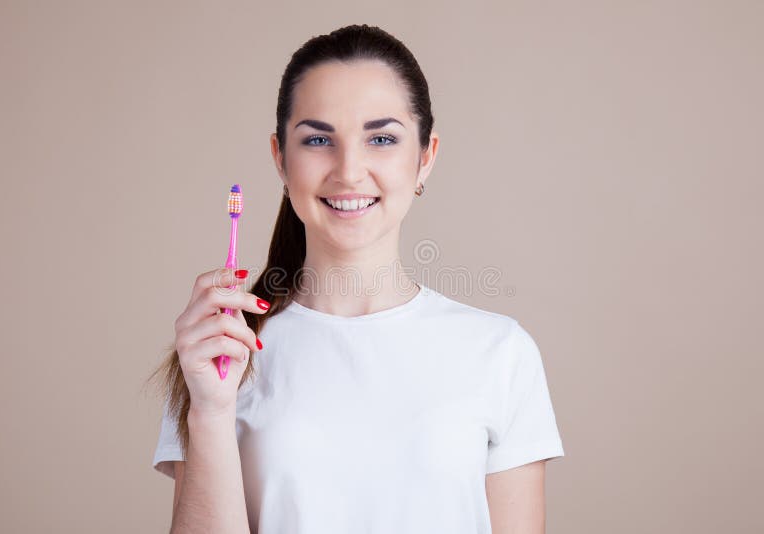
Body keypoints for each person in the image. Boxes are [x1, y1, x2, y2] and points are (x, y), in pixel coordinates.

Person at [150, 23, 565, 534]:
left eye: (382, 138)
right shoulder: (222, 353)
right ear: (281, 159)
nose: (349, 170)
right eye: (319, 139)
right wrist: (210, 411)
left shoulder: (501, 354)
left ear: (425, 158)